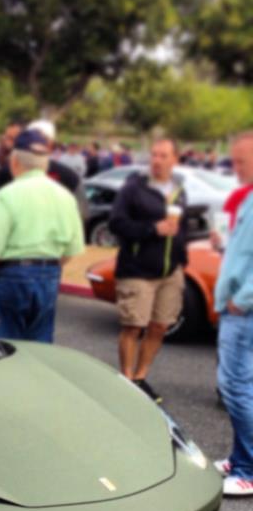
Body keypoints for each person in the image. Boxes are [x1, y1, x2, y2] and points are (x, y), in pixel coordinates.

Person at [0, 129, 84, 342]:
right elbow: (72, 249)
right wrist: (47, 267)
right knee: (39, 347)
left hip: (10, 275)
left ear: (14, 162)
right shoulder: (65, 197)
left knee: (4, 346)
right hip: (49, 275)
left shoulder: (7, 195)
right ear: (45, 165)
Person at [107, 137, 188, 403]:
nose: (157, 160)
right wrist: (152, 229)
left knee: (159, 327)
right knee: (133, 327)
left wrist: (182, 258)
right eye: (154, 154)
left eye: (163, 155)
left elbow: (181, 229)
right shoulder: (133, 188)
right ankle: (127, 381)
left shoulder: (179, 190)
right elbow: (116, 224)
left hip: (170, 272)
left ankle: (141, 377)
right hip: (137, 269)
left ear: (175, 159)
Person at [212, 133, 253, 496]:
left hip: (245, 311)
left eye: (241, 161)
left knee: (235, 387)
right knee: (242, 385)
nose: (235, 168)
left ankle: (249, 469)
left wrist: (243, 298)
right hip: (238, 307)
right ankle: (240, 458)